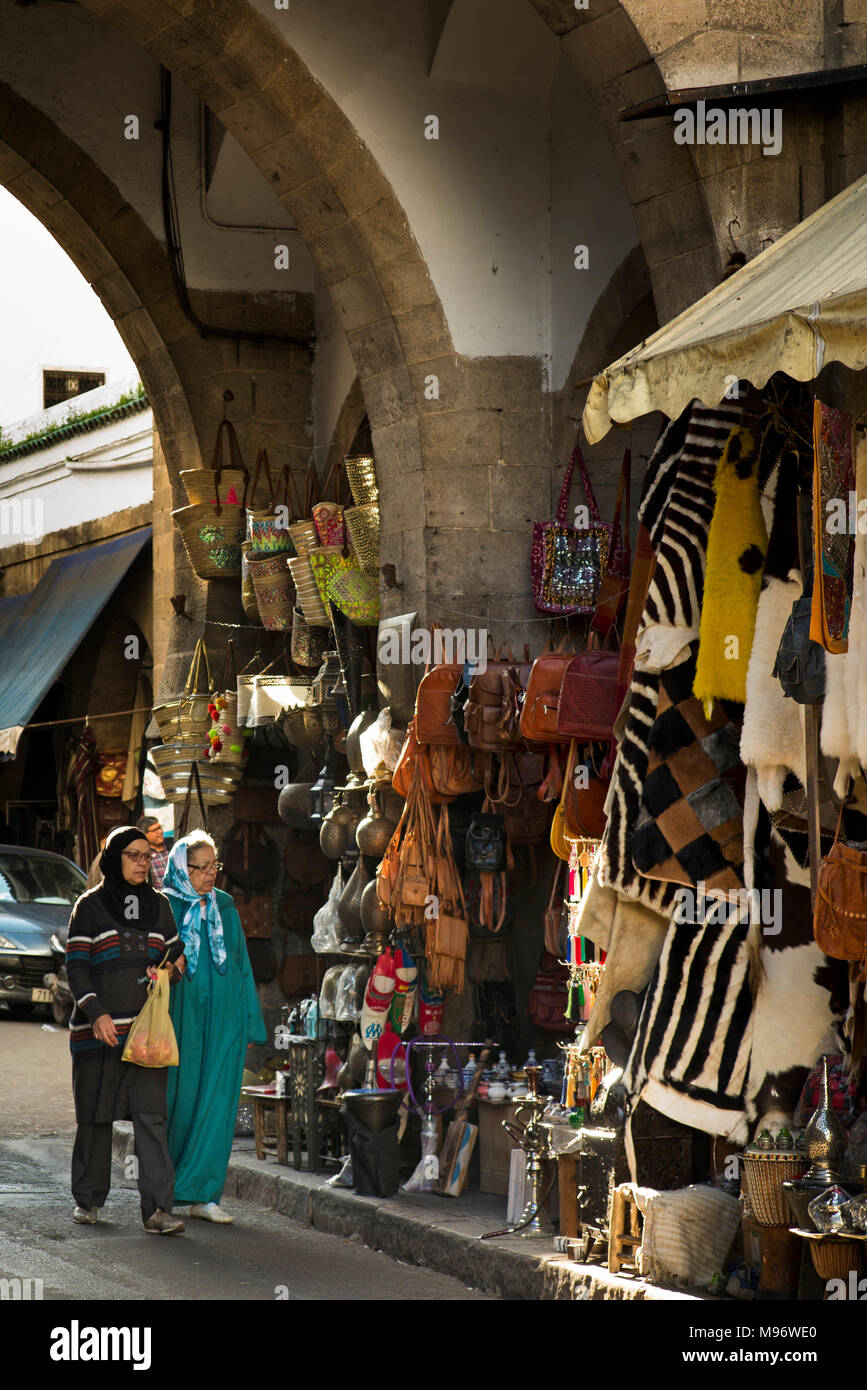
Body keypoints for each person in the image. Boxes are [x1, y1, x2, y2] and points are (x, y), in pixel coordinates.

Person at [66, 826, 187, 1235]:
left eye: (146, 855)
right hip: (98, 1035)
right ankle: (89, 1200)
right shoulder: (90, 906)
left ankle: (157, 1211)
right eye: (133, 855)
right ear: (114, 858)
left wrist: (169, 968)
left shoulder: (161, 906)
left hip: (147, 1034)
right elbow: (77, 966)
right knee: (95, 1118)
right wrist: (96, 1014)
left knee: (151, 1119)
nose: (141, 863)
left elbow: (175, 957)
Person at [162, 831, 266, 1224]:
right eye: (200, 868)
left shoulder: (224, 905)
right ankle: (166, 1188)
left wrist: (249, 1022)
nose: (210, 875)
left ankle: (204, 1194)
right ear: (181, 868)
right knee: (179, 1099)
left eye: (214, 867)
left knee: (218, 1102)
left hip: (224, 1020)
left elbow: (240, 964)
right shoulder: (165, 905)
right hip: (180, 1017)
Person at [137, 815, 169, 889]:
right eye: (155, 830)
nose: (160, 831)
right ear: (144, 835)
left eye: (160, 827)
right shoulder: (143, 857)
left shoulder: (172, 846)